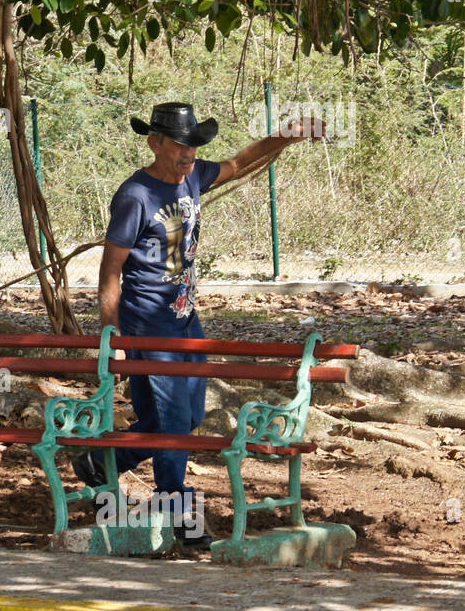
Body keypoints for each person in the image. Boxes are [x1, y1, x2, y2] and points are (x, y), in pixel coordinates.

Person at [76, 102, 324, 550]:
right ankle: (181, 518)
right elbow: (110, 270)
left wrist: (288, 135)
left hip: (186, 317)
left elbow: (240, 162)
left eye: (193, 145)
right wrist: (109, 338)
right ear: (154, 143)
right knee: (172, 423)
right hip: (147, 323)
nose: (188, 153)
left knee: (183, 417)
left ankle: (103, 459)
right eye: (178, 144)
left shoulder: (193, 176)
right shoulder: (135, 196)